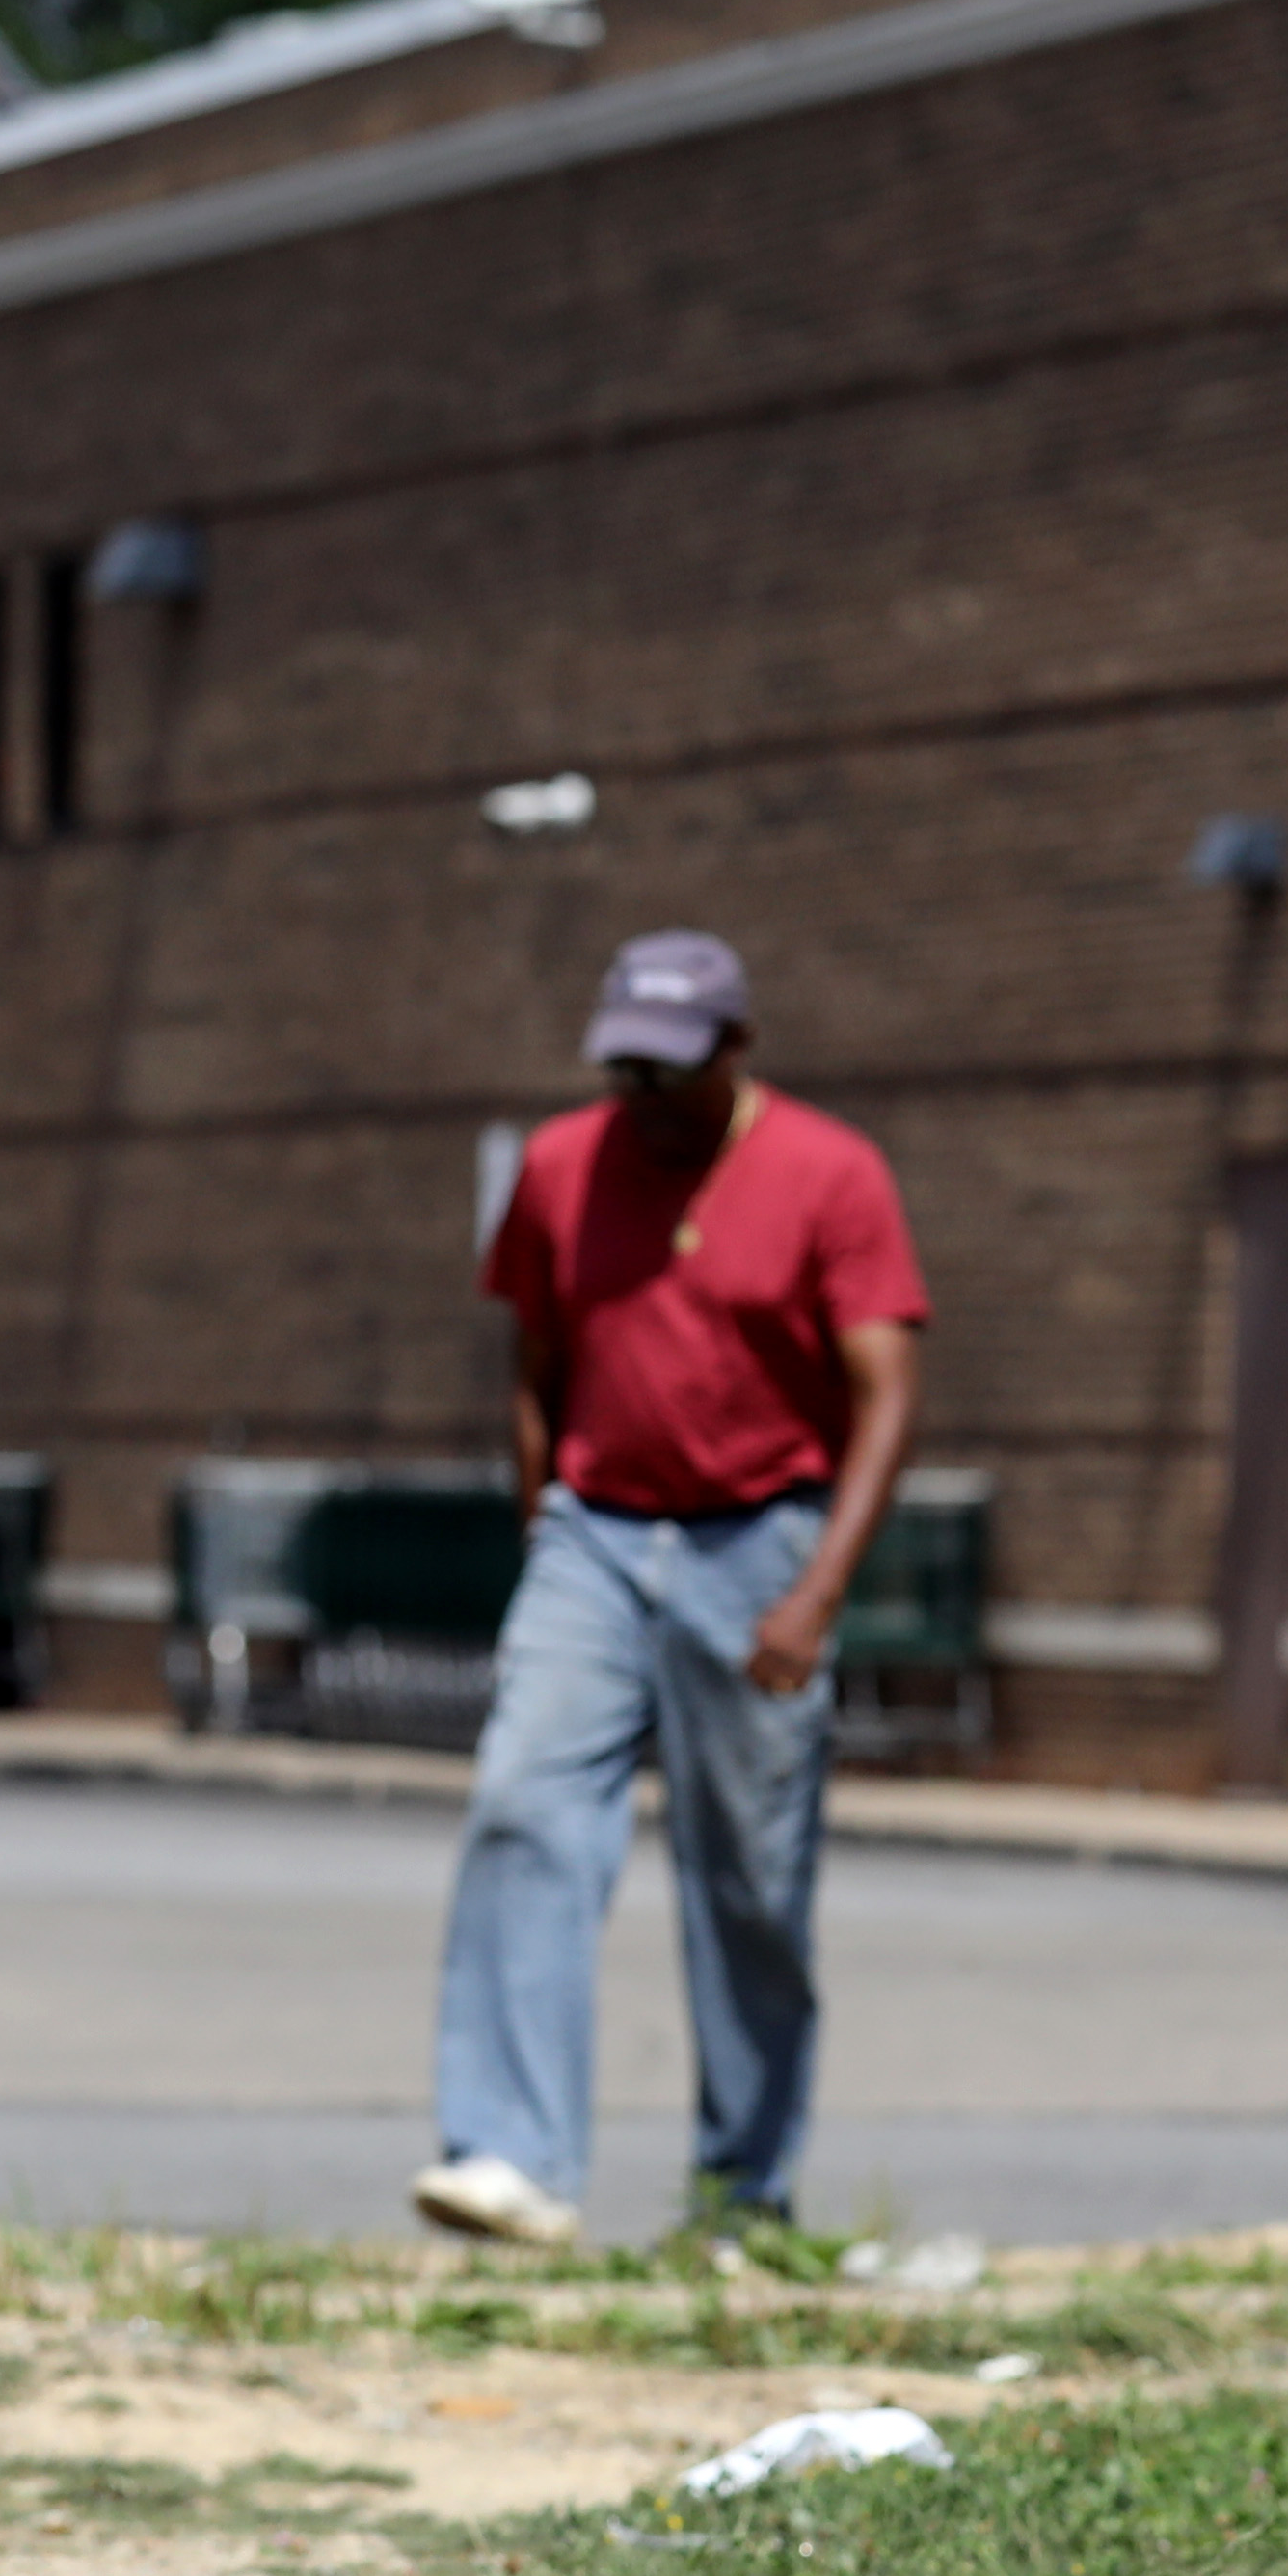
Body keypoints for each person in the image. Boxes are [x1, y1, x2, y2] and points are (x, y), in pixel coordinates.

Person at [414, 928, 927, 2249]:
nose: (642, 1096)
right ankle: (511, 2157)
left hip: (760, 1540)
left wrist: (818, 1592)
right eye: (625, 1068)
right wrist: (546, 1533)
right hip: (595, 1532)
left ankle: (742, 2200)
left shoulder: (830, 1173)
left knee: (751, 1877)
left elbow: (886, 1396)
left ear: (736, 1050)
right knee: (523, 1803)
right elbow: (535, 1366)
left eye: (671, 1069)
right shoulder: (559, 1167)